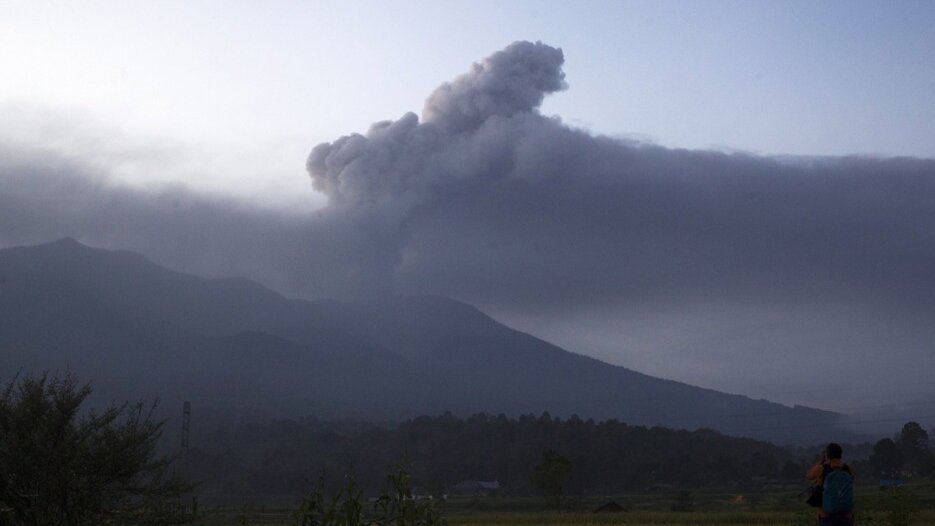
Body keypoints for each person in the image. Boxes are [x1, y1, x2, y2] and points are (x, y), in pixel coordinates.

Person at [806, 442, 855, 526]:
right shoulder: (849, 469)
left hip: (826, 514)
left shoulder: (822, 468)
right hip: (846, 514)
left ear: (827, 455)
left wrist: (821, 461)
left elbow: (809, 475)